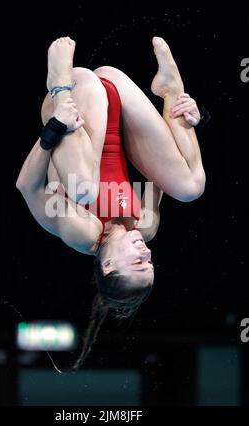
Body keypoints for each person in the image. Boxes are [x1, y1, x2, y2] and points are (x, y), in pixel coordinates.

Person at [16, 36, 206, 371]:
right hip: (115, 92)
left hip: (76, 97)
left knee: (85, 189)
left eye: (137, 264)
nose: (146, 255)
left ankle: (56, 84)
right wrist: (187, 124)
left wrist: (52, 131)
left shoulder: (81, 232)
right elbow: (160, 167)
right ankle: (172, 91)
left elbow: (27, 186)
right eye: (149, 264)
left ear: (108, 266)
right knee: (190, 187)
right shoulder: (145, 225)